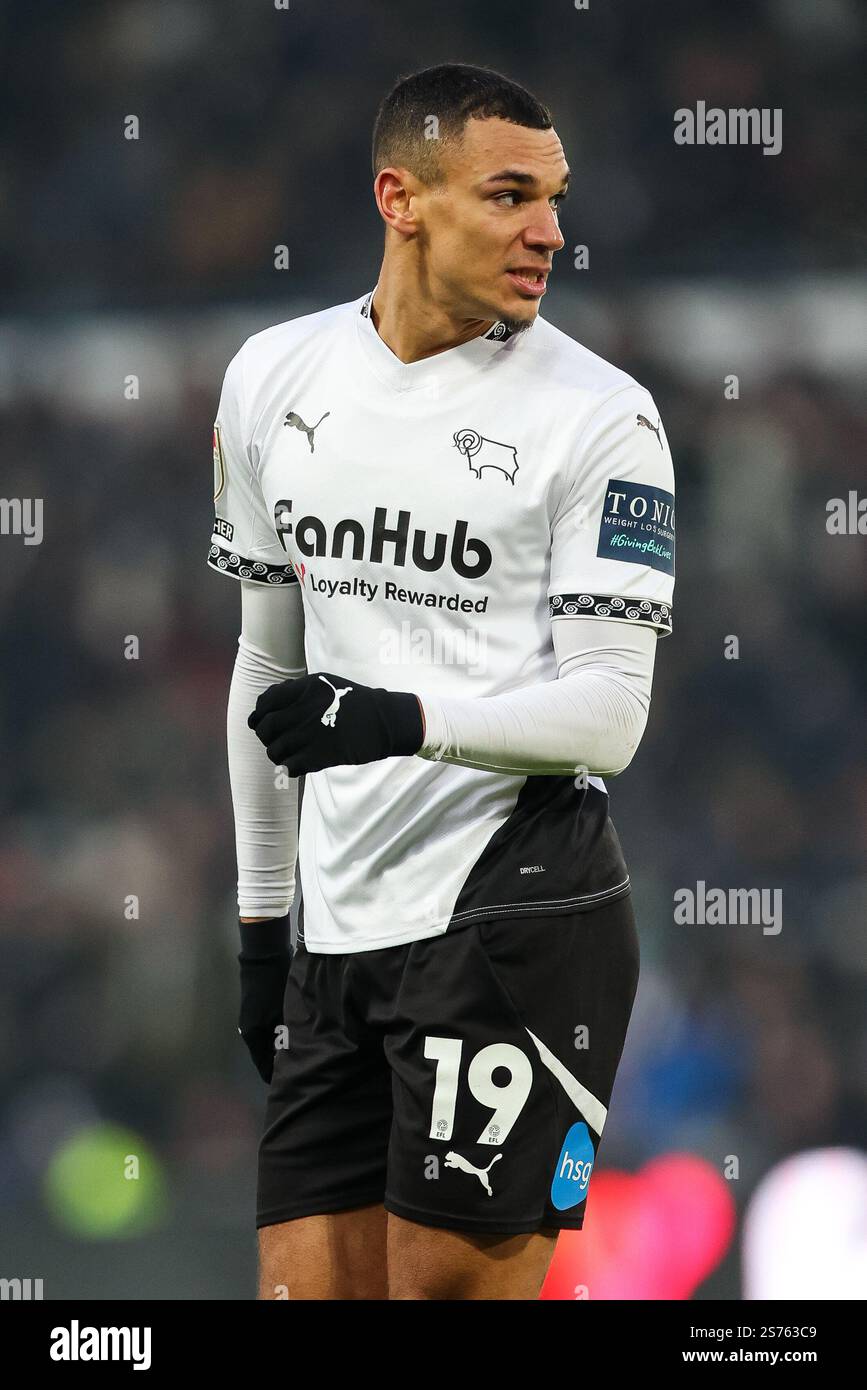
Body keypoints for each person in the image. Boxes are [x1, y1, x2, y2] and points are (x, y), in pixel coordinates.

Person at [208, 62, 675, 1300]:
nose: (551, 232)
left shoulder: (604, 421)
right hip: (338, 930)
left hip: (518, 914)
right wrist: (265, 931)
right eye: (511, 195)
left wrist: (399, 721)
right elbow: (268, 663)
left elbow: (610, 714)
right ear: (399, 198)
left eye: (558, 199)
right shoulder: (270, 378)